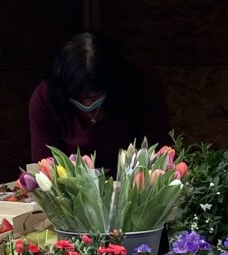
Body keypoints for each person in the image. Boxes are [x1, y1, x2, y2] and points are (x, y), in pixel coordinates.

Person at [27, 31, 170, 167]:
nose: (87, 105)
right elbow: (45, 164)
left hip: (135, 184)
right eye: (78, 98)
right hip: (75, 188)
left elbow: (159, 150)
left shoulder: (141, 82)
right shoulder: (45, 97)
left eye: (94, 97)